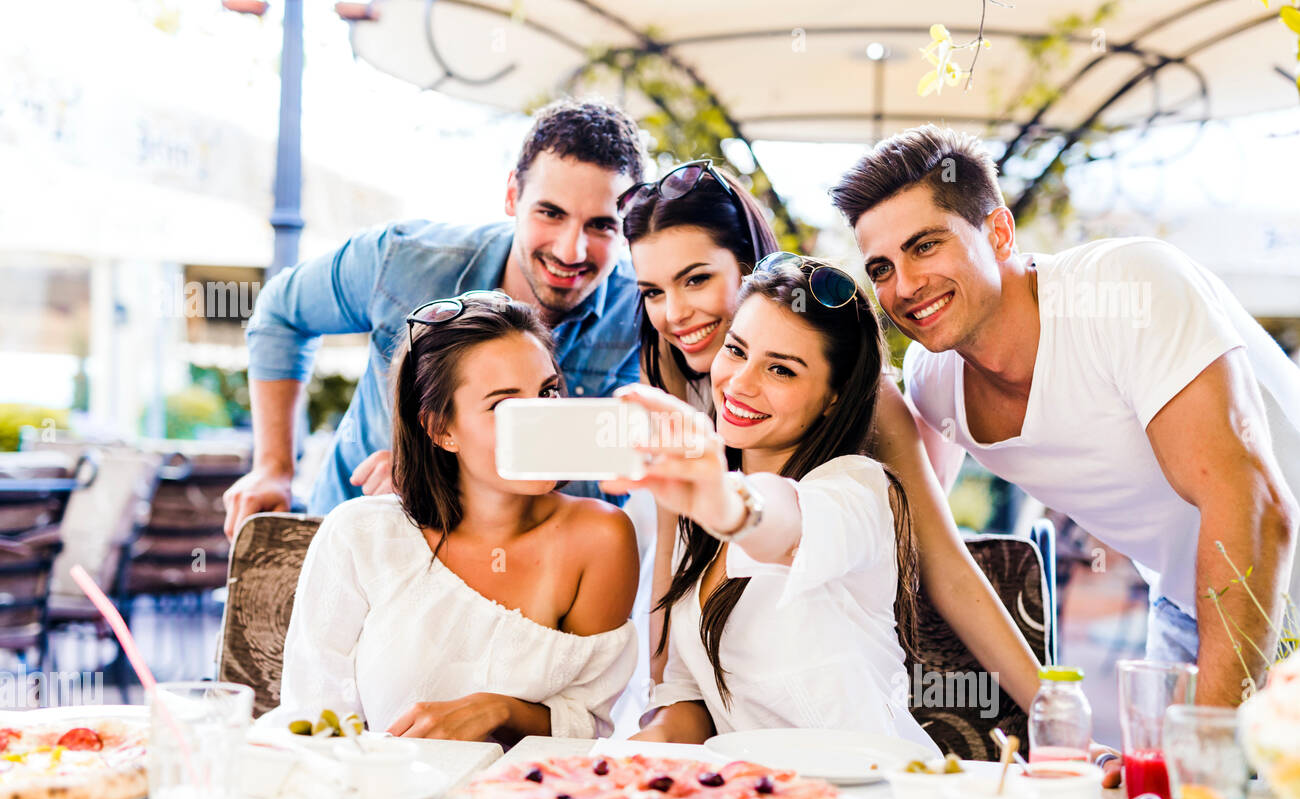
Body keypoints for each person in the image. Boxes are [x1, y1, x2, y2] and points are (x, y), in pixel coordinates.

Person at [832, 125, 1300, 709]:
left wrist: (1208, 744)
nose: (903, 286)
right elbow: (922, 539)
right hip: (1189, 600)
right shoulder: (934, 380)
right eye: (880, 268)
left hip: (1271, 581)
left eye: (926, 245)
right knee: (1157, 797)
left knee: (1222, 789)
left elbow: (1255, 508)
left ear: (999, 232)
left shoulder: (1129, 288)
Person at [622, 159, 1046, 724]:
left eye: (696, 279)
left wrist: (1052, 710)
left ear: (748, 270)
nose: (674, 314)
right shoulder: (674, 373)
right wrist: (661, 711)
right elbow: (672, 613)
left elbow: (928, 556)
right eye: (653, 291)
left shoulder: (861, 442)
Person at [222, 98, 646, 536]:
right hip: (354, 553)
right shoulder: (403, 259)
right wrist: (273, 466)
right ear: (511, 196)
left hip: (538, 581)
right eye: (550, 213)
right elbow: (279, 313)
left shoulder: (646, 311)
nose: (570, 250)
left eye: (601, 226)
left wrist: (431, 478)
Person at [272, 294, 640, 742]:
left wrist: (499, 711)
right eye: (505, 406)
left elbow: (588, 726)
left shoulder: (601, 539)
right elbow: (313, 722)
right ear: (440, 429)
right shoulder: (358, 536)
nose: (543, 419)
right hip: (377, 797)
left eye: (547, 392)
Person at [607, 256, 939, 751]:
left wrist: (724, 501)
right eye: (736, 351)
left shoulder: (861, 490)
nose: (740, 383)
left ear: (834, 396)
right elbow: (691, 701)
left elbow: (783, 523)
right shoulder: (696, 516)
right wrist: (639, 752)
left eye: (781, 369)